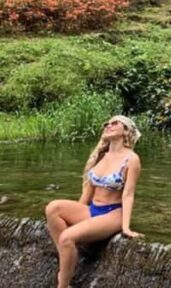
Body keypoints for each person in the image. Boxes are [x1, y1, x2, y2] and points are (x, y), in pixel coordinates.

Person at [44, 115, 143, 288]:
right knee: (53, 207)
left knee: (66, 237)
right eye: (107, 123)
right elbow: (86, 194)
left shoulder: (131, 159)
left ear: (126, 131)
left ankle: (63, 284)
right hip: (92, 210)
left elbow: (128, 195)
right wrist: (76, 218)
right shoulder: (100, 156)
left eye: (115, 123)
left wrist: (126, 227)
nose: (108, 126)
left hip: (113, 213)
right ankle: (66, 258)